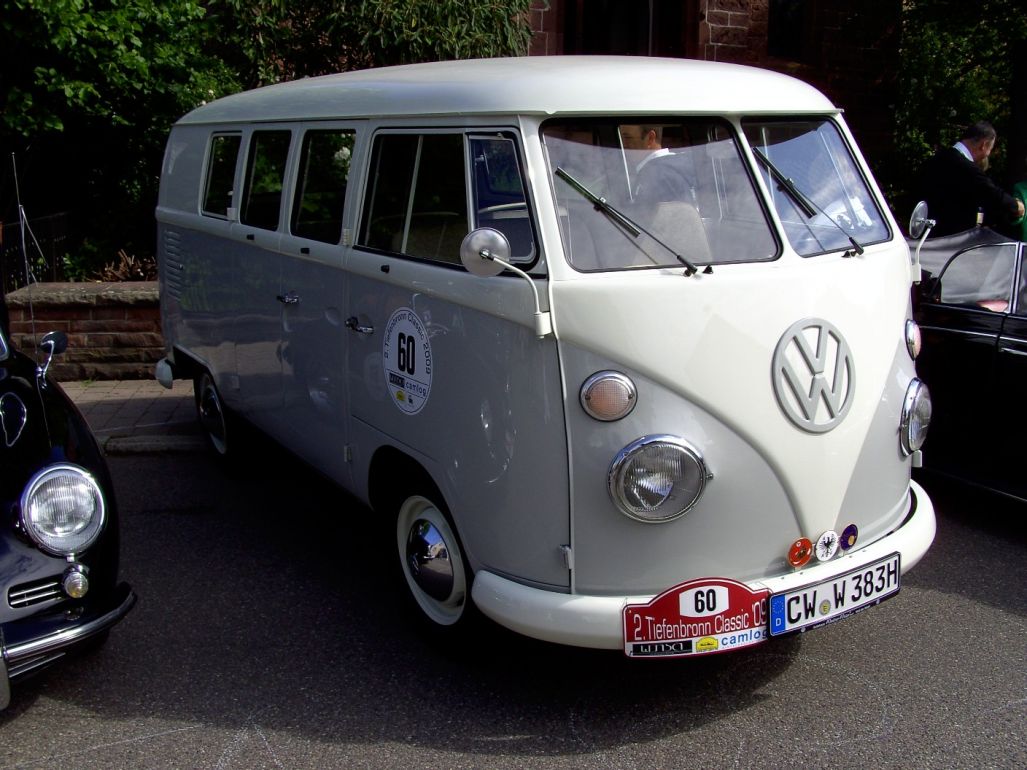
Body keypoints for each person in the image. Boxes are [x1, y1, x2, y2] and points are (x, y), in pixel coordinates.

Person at [917, 121, 1025, 236]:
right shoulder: (966, 167)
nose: (988, 154)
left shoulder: (935, 160)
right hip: (949, 240)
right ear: (983, 145)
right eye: (990, 149)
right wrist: (1015, 205)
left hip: (925, 235)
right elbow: (991, 193)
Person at [618, 124, 693, 204]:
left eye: (627, 138)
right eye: (621, 139)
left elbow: (673, 215)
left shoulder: (657, 176)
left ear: (650, 138)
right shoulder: (672, 168)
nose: (622, 145)